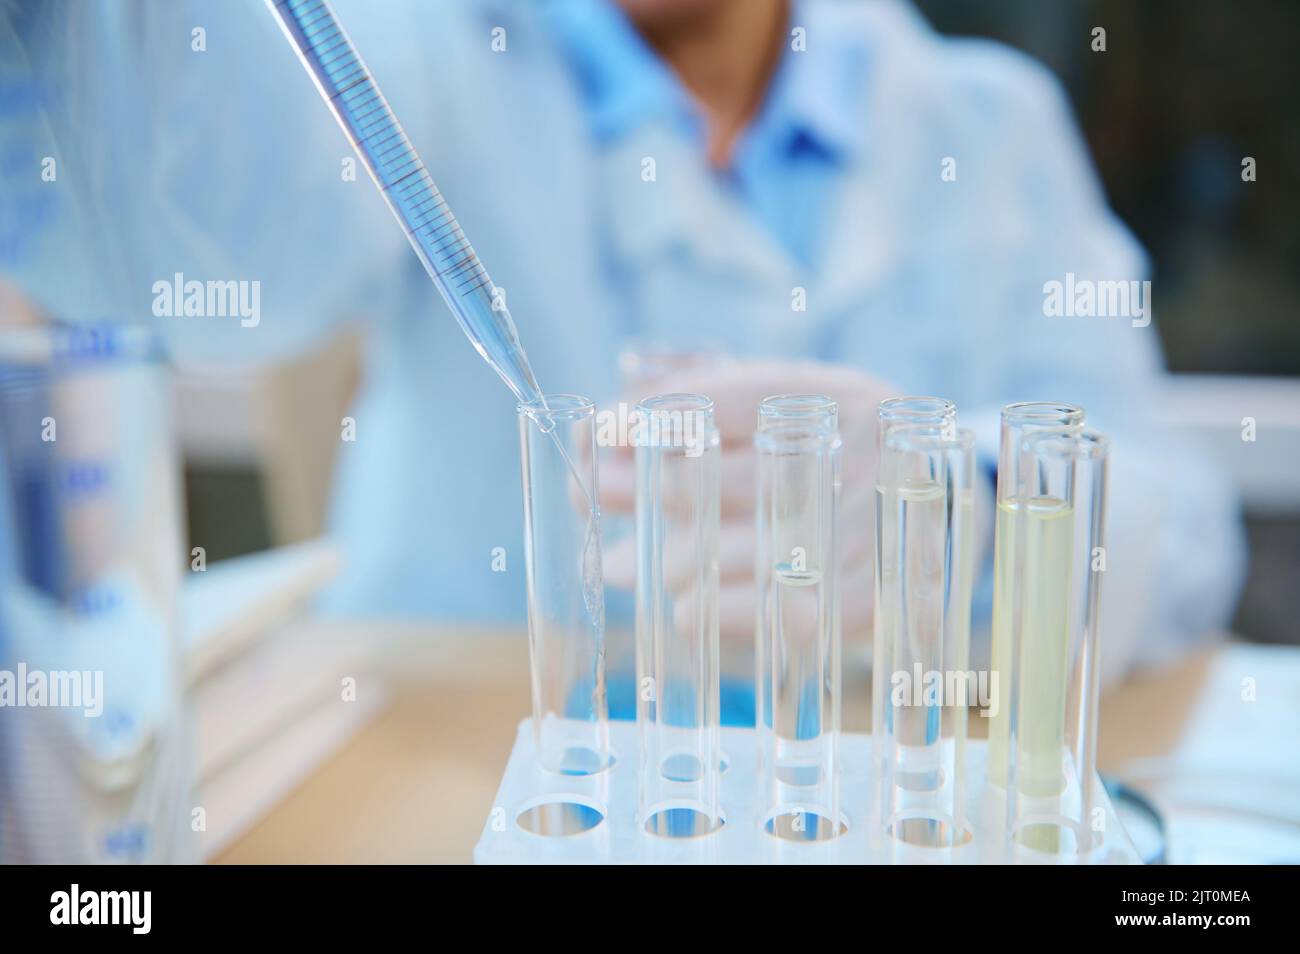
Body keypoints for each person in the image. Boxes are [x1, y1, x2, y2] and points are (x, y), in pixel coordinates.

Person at [0, 0, 1245, 712]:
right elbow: (175, 237)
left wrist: (971, 512)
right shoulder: (430, 57)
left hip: (871, 807)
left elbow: (1185, 535)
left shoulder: (988, 118)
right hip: (451, 791)